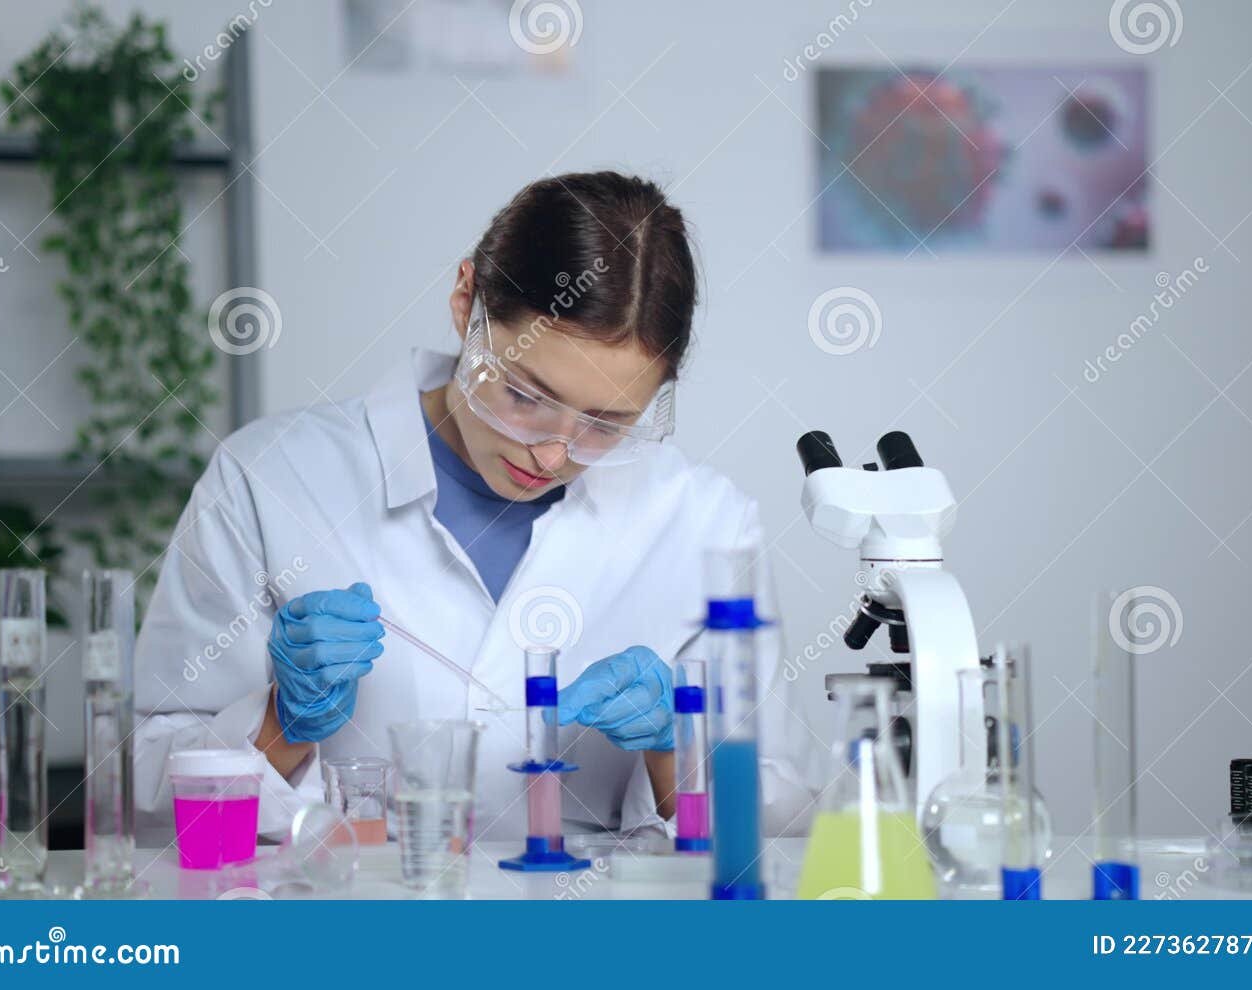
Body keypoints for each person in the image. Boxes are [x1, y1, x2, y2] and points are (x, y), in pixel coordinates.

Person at [133, 171, 809, 843]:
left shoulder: (706, 524)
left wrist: (676, 745)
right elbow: (152, 791)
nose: (552, 454)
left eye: (605, 424)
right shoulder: (273, 477)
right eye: (525, 395)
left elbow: (774, 831)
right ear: (466, 302)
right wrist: (280, 721)